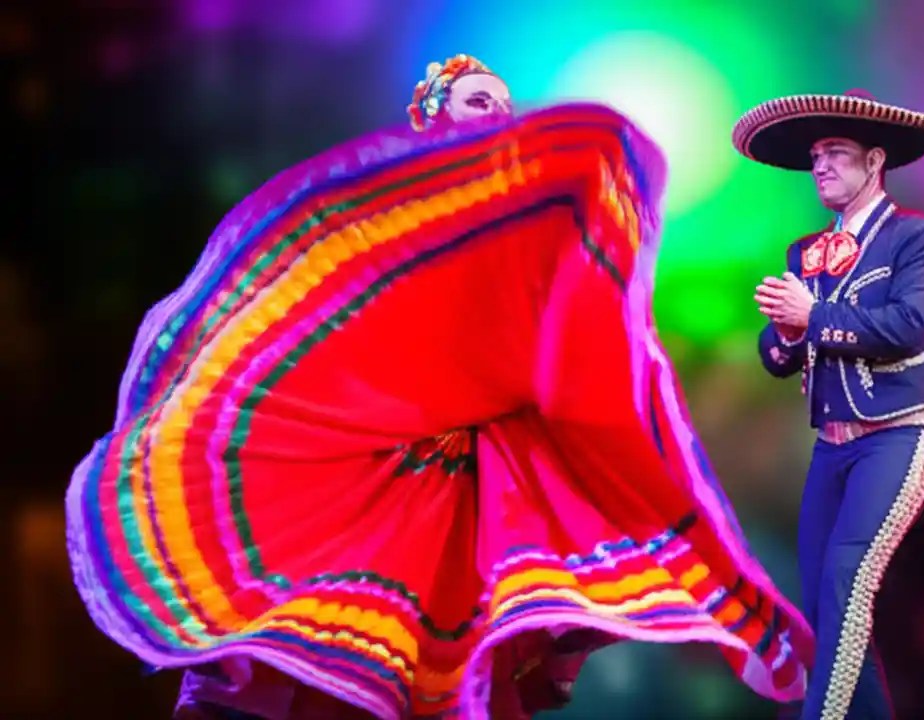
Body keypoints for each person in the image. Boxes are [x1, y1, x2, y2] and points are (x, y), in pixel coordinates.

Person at [66, 54, 813, 720]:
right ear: (428, 116)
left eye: (502, 105)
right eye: (476, 101)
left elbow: (575, 331)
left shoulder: (521, 232)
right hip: (369, 476)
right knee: (301, 659)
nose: (494, 113)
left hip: (470, 492)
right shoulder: (371, 231)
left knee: (445, 665)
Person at [732, 89, 924, 719]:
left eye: (835, 152)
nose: (821, 166)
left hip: (900, 438)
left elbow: (910, 327)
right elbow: (777, 356)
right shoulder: (804, 253)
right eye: (815, 156)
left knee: (844, 589)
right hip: (831, 446)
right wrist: (786, 333)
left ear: (875, 160)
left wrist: (814, 316)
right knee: (823, 607)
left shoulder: (919, 237)